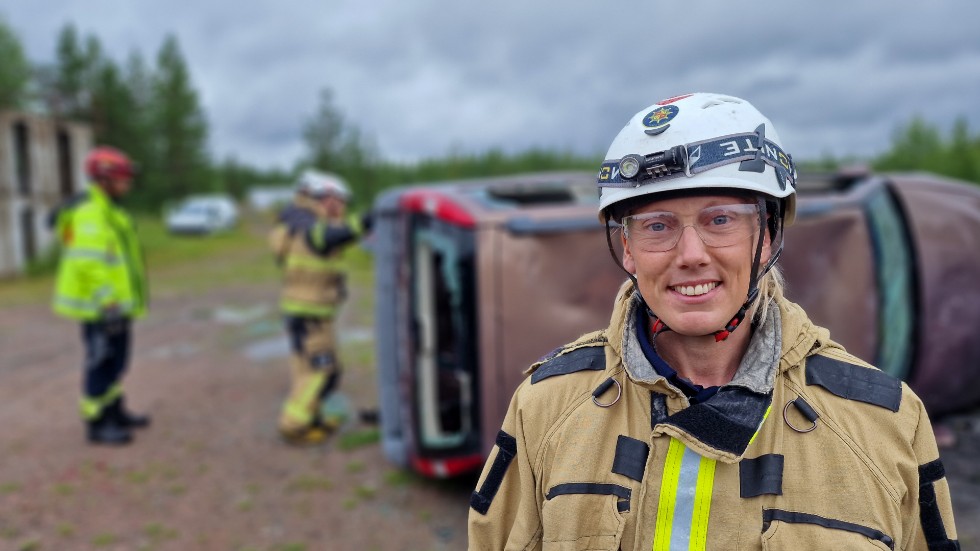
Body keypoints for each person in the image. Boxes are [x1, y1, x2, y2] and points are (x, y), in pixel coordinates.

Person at [467, 93, 959, 550]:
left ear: (766, 237)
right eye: (657, 226)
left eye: (720, 219)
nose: (690, 255)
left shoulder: (885, 424)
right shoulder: (547, 406)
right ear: (629, 249)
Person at [52, 146, 150, 446]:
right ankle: (97, 423)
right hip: (102, 307)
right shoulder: (90, 213)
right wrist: (108, 300)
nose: (128, 183)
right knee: (100, 361)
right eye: (123, 178)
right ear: (104, 180)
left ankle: (115, 411)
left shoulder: (111, 211)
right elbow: (89, 263)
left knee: (116, 361)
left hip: (115, 306)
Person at [269, 169, 367, 445]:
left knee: (305, 369)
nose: (342, 207)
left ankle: (312, 416)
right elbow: (339, 234)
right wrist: (370, 220)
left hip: (303, 312)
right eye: (340, 200)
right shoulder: (312, 227)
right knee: (321, 371)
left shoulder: (295, 221)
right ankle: (294, 424)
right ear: (324, 198)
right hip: (311, 314)